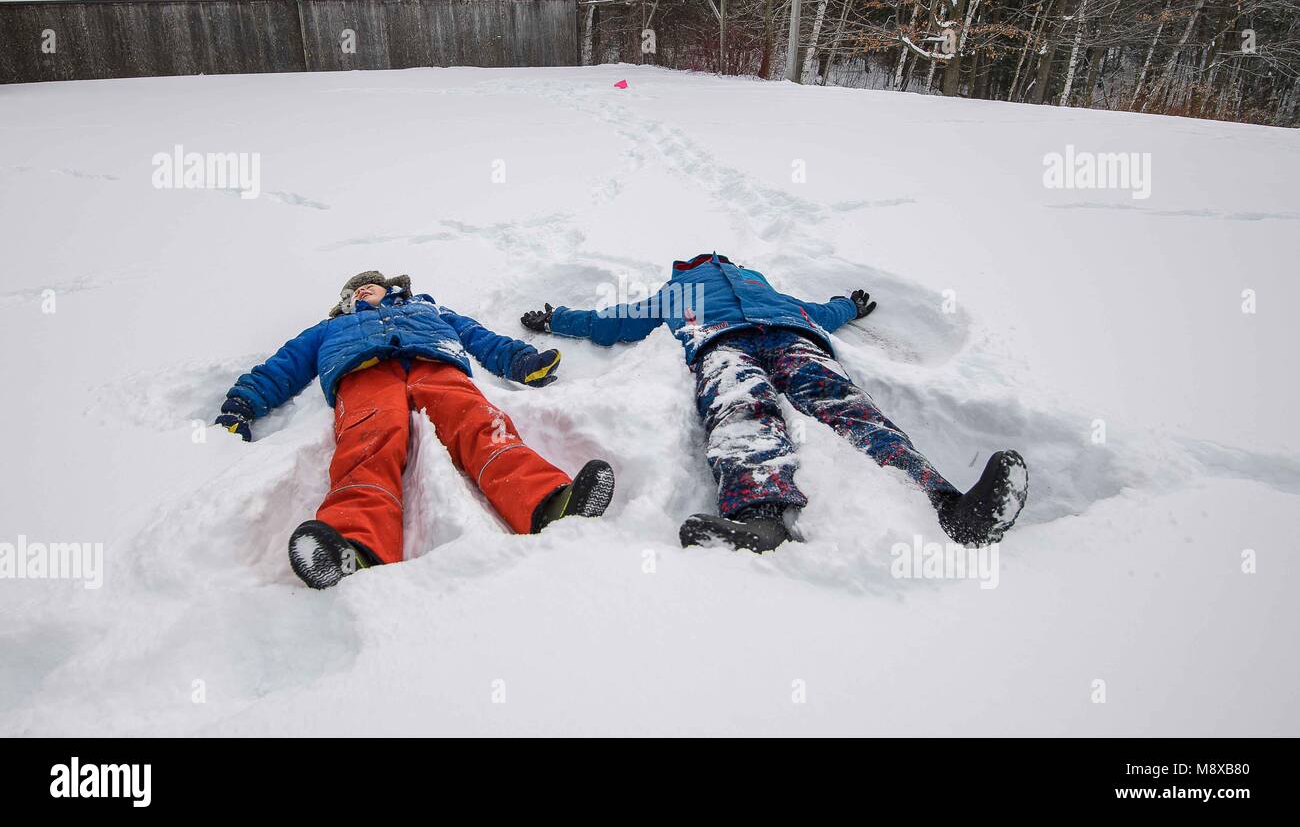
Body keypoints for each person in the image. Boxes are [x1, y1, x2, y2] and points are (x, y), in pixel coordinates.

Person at [521, 253, 1024, 554]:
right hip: (719, 342)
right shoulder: (677, 290)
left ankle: (950, 505)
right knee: (742, 409)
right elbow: (616, 319)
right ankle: (759, 516)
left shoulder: (762, 286)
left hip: (792, 335)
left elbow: (815, 311)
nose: (716, 267)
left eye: (721, 265)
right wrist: (559, 318)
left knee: (852, 408)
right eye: (702, 266)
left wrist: (849, 305)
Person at [217, 271, 615, 589]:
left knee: (480, 422)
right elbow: (285, 364)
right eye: (355, 290)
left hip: (435, 364)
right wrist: (244, 402)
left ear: (389, 288)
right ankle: (354, 545)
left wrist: (522, 360)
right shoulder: (330, 327)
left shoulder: (428, 309)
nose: (363, 290)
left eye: (371, 284)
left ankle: (547, 503)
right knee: (368, 443)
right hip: (363, 374)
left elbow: (477, 336)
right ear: (346, 302)